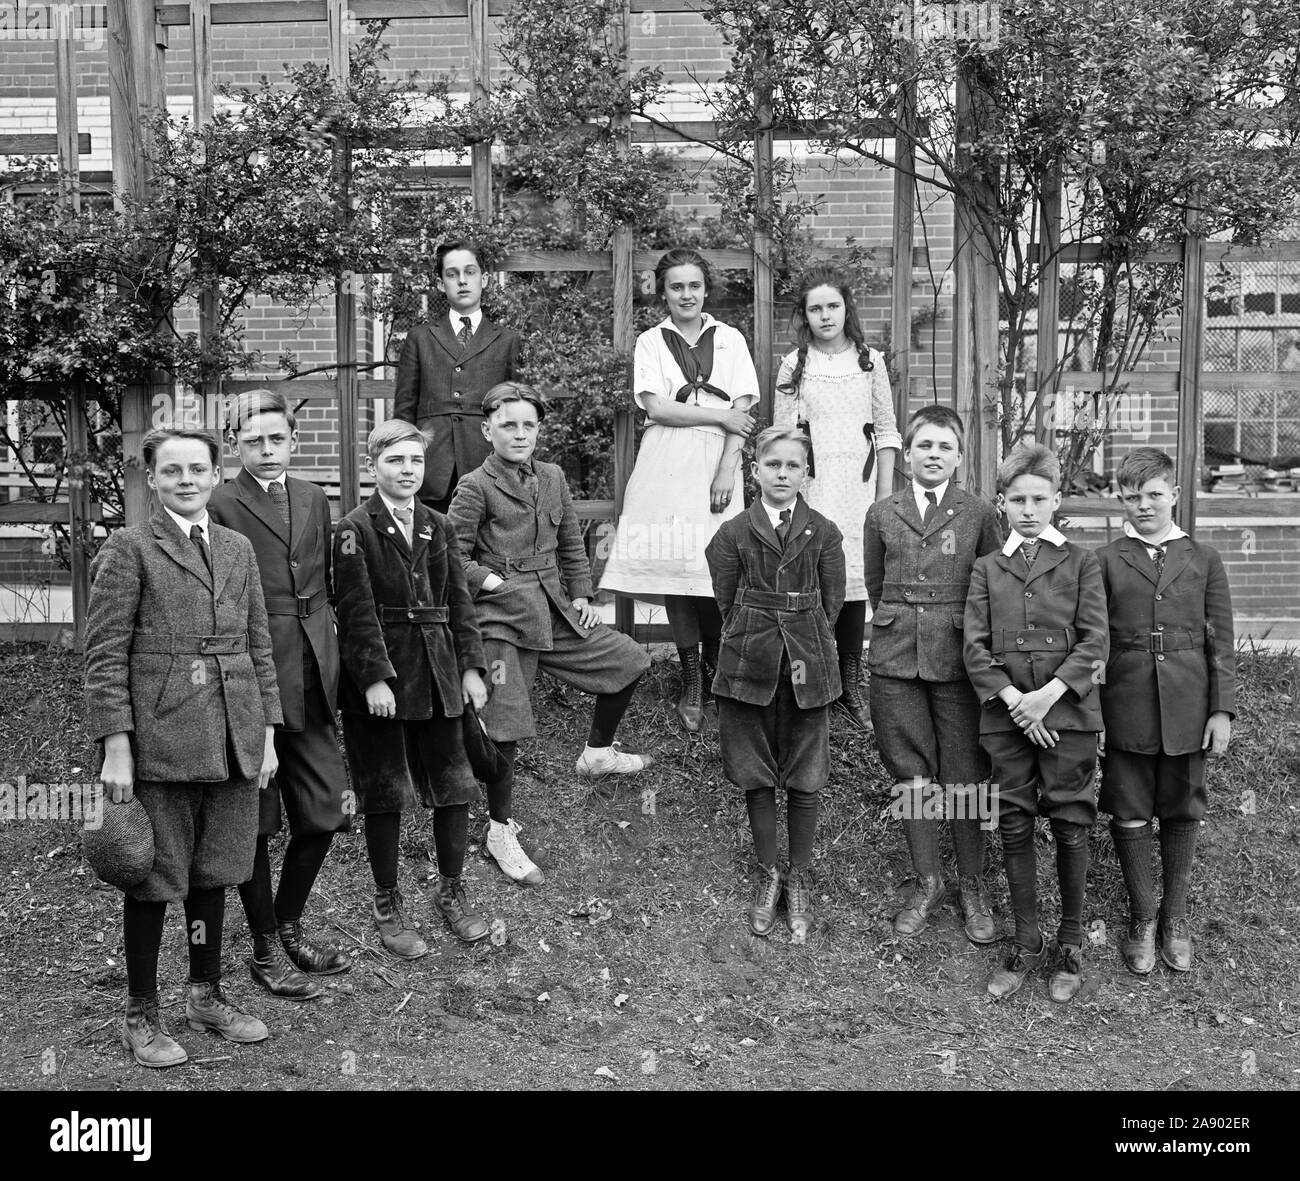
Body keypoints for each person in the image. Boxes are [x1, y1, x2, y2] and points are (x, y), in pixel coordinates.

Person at [85, 427, 282, 1068]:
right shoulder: (129, 549)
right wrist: (117, 747)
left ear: (217, 473)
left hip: (233, 739)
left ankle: (205, 993)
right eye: (172, 471)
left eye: (198, 468)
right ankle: (140, 1011)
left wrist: (268, 731)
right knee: (151, 878)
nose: (187, 480)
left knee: (215, 874)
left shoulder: (237, 548)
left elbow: (259, 647)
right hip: (163, 740)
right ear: (151, 479)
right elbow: (105, 656)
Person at [449, 382, 652, 886]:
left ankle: (597, 753)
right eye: (508, 425)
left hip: (555, 609)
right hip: (500, 617)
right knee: (506, 722)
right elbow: (450, 554)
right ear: (486, 429)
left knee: (629, 661)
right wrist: (489, 581)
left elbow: (570, 542)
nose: (520, 434)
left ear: (540, 429)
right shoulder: (475, 484)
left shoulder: (553, 475)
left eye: (529, 425)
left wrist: (581, 595)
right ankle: (500, 830)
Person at [209, 388, 351, 1001]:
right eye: (253, 441)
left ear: (293, 440)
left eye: (277, 439)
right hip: (252, 683)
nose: (267, 451)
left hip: (315, 675)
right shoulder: (217, 502)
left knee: (326, 811)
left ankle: (289, 920)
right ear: (233, 446)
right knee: (258, 827)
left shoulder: (315, 497)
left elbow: (334, 586)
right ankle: (265, 945)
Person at [333, 420, 491, 954]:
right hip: (384, 677)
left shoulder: (438, 525)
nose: (407, 471)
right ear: (373, 464)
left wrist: (471, 668)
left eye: (415, 462)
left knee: (454, 784)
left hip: (440, 668)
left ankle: (451, 893)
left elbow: (460, 603)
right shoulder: (354, 528)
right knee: (384, 792)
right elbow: (354, 611)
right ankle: (387, 902)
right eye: (396, 461)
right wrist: (375, 679)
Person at [964, 444, 1108, 1001]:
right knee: (1015, 820)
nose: (1028, 509)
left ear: (1056, 501)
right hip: (1007, 719)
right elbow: (975, 649)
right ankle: (1025, 942)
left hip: (1067, 714)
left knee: (1072, 821)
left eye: (1039, 499)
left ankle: (1070, 942)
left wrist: (1047, 697)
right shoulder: (986, 568)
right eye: (1017, 499)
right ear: (1001, 504)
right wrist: (1015, 703)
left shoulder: (1081, 562)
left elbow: (1097, 644)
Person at [598, 246, 759, 732]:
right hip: (666, 460)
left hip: (717, 461)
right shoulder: (651, 341)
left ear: (706, 289)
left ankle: (713, 678)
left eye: (694, 285)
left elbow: (744, 412)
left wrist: (727, 472)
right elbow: (659, 409)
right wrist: (720, 412)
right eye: (676, 286)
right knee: (677, 571)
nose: (686, 294)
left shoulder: (729, 339)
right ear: (662, 292)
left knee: (714, 572)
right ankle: (690, 683)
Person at [864, 404, 1003, 943]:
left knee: (967, 771)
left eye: (945, 447)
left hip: (958, 658)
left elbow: (991, 581)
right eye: (924, 445)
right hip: (896, 657)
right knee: (911, 769)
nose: (934, 455)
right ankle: (928, 879)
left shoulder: (979, 512)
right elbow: (877, 583)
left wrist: (975, 640)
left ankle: (972, 882)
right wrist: (902, 621)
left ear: (960, 457)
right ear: (908, 456)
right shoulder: (882, 513)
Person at [1096, 447, 1235, 974]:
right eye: (1133, 497)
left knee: (1182, 805)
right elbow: (1094, 642)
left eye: (1154, 494)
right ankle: (1142, 916)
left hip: (1187, 703)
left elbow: (1220, 640)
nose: (1144, 506)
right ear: (1122, 502)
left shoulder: (1203, 559)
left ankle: (1174, 916)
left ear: (1174, 494)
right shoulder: (1105, 560)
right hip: (1125, 702)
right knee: (1129, 805)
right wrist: (1095, 713)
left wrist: (1221, 711)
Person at [706, 426, 845, 940]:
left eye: (793, 465)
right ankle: (770, 873)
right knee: (755, 768)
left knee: (806, 769)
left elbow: (831, 603)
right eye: (773, 465)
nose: (782, 474)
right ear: (754, 471)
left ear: (806, 472)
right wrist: (750, 635)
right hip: (749, 662)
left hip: (808, 660)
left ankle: (800, 876)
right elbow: (725, 597)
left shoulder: (824, 531)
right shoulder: (734, 532)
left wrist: (806, 639)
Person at [774, 263, 901, 730]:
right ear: (804, 316)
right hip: (814, 488)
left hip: (860, 489)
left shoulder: (871, 361)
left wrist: (884, 499)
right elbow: (784, 439)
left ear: (846, 308)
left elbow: (886, 431)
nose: (825, 315)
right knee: (812, 578)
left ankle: (850, 680)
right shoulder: (795, 365)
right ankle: (812, 679)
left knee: (852, 581)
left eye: (832, 306)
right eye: (815, 309)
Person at [393, 238, 524, 513]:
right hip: (433, 469)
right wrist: (405, 463)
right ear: (441, 283)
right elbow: (404, 412)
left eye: (470, 272)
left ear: (484, 279)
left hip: (487, 463)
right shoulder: (420, 338)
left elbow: (518, 414)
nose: (462, 281)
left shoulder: (508, 340)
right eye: (452, 274)